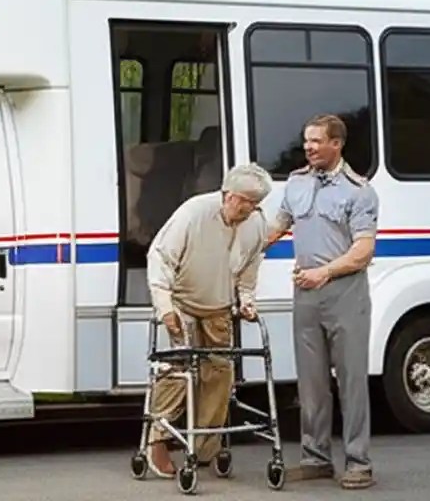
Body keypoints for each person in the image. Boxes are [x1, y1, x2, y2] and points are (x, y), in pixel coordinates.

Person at [267, 114, 379, 490]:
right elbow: (277, 226)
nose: (309, 147)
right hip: (306, 294)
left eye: (316, 141)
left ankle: (358, 462)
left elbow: (363, 251)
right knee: (311, 383)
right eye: (306, 141)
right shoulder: (297, 183)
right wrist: (241, 248)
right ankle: (315, 458)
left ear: (337, 144)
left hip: (345, 293)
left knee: (350, 381)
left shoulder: (359, 191)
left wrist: (325, 273)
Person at [145, 162, 274, 477]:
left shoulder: (255, 222)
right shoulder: (194, 213)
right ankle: (157, 440)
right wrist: (165, 309)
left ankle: (205, 444)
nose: (249, 210)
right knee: (177, 371)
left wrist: (246, 301)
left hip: (218, 306)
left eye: (255, 204)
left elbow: (250, 265)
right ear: (228, 195)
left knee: (220, 373)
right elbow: (160, 257)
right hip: (183, 302)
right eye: (245, 202)